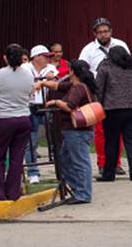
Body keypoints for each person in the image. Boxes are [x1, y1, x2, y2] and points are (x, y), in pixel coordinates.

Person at [78, 17, 130, 176]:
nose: (103, 34)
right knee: (101, 130)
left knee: (117, 129)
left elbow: (129, 66)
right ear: (95, 33)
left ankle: (116, 163)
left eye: (106, 31)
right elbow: (82, 70)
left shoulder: (121, 45)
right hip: (98, 93)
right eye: (100, 32)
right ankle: (103, 163)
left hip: (118, 93)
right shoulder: (88, 50)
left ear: (111, 31)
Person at [0, 43, 35, 201]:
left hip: (3, 118)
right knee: (17, 157)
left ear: (5, 58)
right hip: (24, 118)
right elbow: (30, 93)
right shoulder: (28, 74)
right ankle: (13, 192)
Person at [46, 60, 98, 204]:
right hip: (76, 131)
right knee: (65, 160)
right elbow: (57, 85)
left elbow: (69, 106)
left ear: (72, 72)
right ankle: (78, 189)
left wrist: (56, 102)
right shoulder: (79, 86)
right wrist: (43, 83)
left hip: (76, 131)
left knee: (80, 162)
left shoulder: (78, 87)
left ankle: (83, 193)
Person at [96, 46, 132, 182]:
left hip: (112, 110)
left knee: (111, 142)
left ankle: (109, 174)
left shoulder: (105, 66)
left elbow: (99, 89)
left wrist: (98, 106)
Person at [25, 44, 57, 185]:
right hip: (30, 106)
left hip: (45, 106)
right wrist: (44, 80)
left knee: (56, 137)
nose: (48, 59)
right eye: (45, 56)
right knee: (31, 142)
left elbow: (54, 76)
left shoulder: (49, 68)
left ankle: (61, 169)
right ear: (36, 57)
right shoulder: (25, 69)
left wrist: (45, 80)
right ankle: (33, 173)